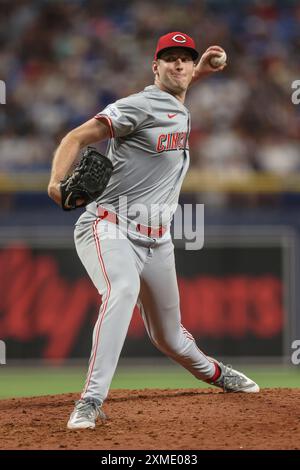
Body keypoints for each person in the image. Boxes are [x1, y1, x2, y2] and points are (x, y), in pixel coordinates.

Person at [48, 32, 259, 430]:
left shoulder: (177, 104)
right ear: (154, 66)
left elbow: (177, 90)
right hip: (109, 225)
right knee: (122, 290)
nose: (179, 65)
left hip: (157, 240)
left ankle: (214, 372)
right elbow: (76, 136)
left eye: (185, 59)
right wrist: (56, 182)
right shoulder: (137, 106)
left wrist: (201, 72)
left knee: (170, 338)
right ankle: (91, 400)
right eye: (170, 59)